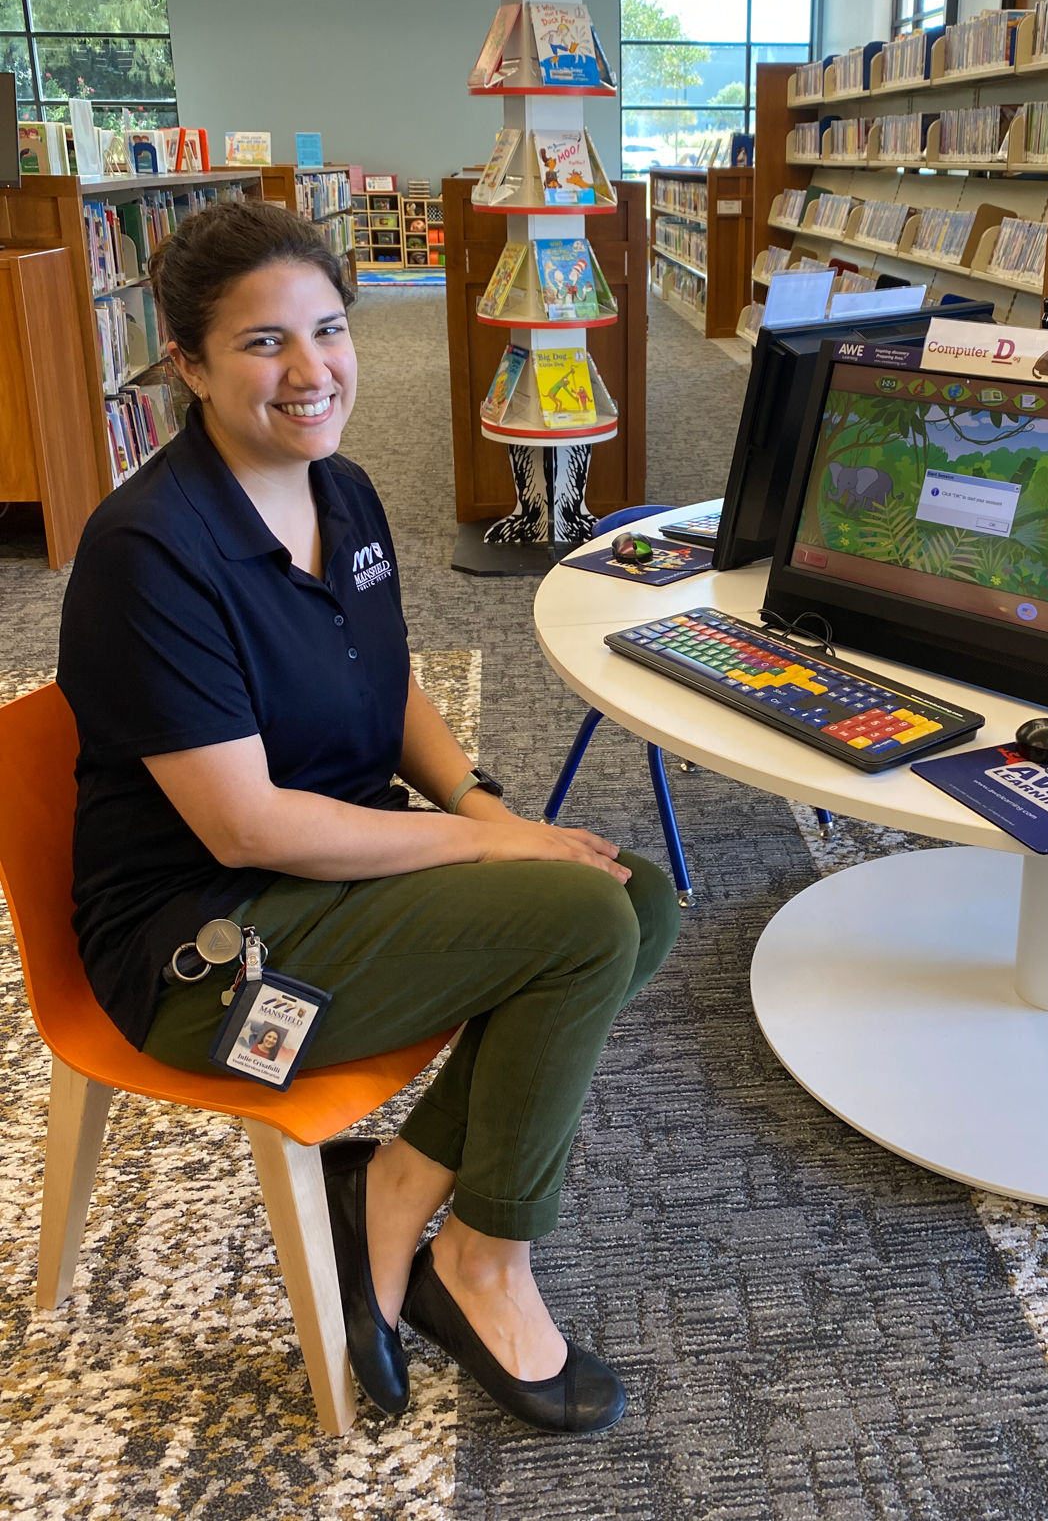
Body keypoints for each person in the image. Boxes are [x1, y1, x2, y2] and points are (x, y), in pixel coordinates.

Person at [56, 201, 681, 1432]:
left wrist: (478, 796)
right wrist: (497, 844)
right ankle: (485, 1260)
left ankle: (392, 1195)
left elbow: (382, 682)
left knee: (635, 900)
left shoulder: (340, 493)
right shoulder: (149, 550)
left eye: (329, 330)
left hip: (340, 864)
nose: (311, 371)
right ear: (184, 362)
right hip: (209, 946)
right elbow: (247, 831)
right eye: (261, 343)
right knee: (580, 921)